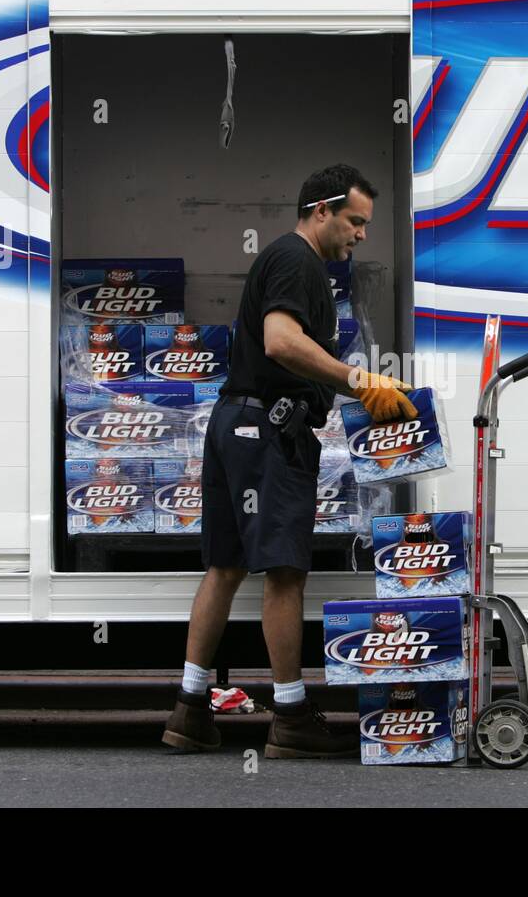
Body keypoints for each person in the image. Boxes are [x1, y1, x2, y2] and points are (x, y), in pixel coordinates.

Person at [162, 164, 418, 758]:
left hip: (239, 424)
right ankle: (291, 713)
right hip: (265, 433)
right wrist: (358, 380)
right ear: (321, 210)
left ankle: (190, 707)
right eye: (355, 221)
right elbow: (280, 340)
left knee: (224, 567)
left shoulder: (297, 264)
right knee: (284, 572)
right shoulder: (296, 259)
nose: (361, 234)